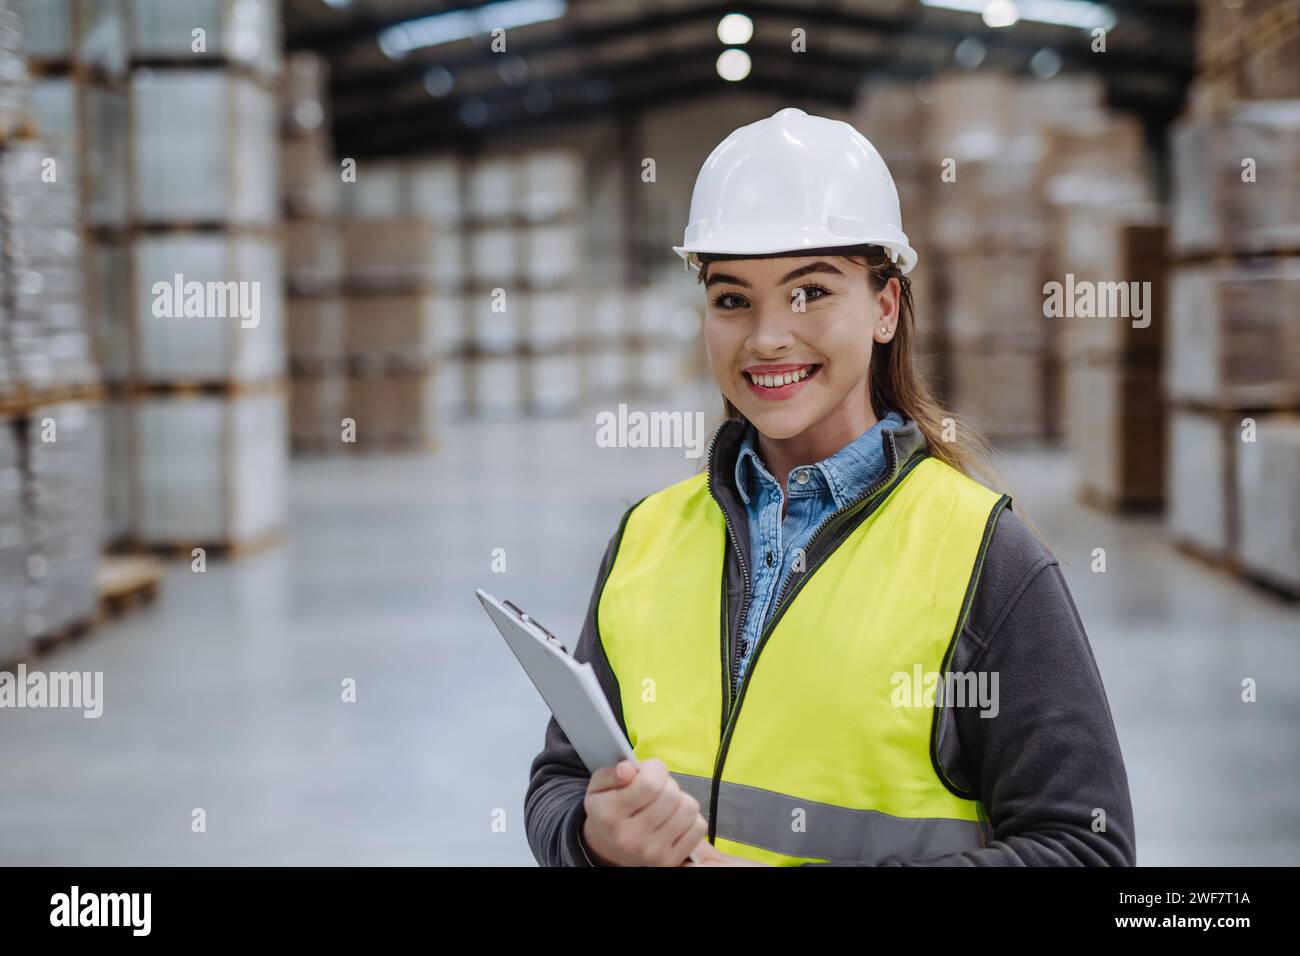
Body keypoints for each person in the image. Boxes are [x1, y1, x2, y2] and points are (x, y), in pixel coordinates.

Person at [525, 108, 1135, 867]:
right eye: (731, 298)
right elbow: (560, 779)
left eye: (810, 291)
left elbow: (1085, 848)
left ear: (884, 308)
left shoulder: (985, 558)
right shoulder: (646, 537)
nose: (767, 336)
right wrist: (592, 837)